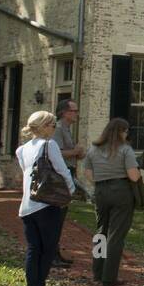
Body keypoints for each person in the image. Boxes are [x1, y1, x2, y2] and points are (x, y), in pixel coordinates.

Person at [15, 110, 76, 286]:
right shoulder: (49, 145)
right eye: (51, 124)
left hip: (27, 206)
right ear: (43, 126)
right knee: (48, 250)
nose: (54, 128)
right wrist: (71, 191)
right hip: (47, 204)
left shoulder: (21, 150)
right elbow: (61, 170)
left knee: (34, 249)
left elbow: (28, 175)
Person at [84, 117, 142, 286]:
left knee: (100, 232)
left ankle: (97, 271)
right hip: (121, 191)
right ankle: (109, 277)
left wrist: (101, 181)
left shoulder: (93, 149)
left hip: (101, 191)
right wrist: (138, 170)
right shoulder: (125, 150)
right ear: (120, 132)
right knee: (115, 235)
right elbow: (133, 176)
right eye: (125, 131)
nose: (126, 134)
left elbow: (87, 173)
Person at [51, 98, 84, 266]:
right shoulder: (57, 129)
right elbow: (55, 153)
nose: (77, 114)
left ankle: (55, 252)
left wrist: (77, 153)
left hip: (67, 172)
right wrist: (75, 151)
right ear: (64, 112)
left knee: (61, 215)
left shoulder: (67, 129)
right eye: (74, 111)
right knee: (57, 215)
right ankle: (51, 255)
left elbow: (67, 152)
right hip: (60, 176)